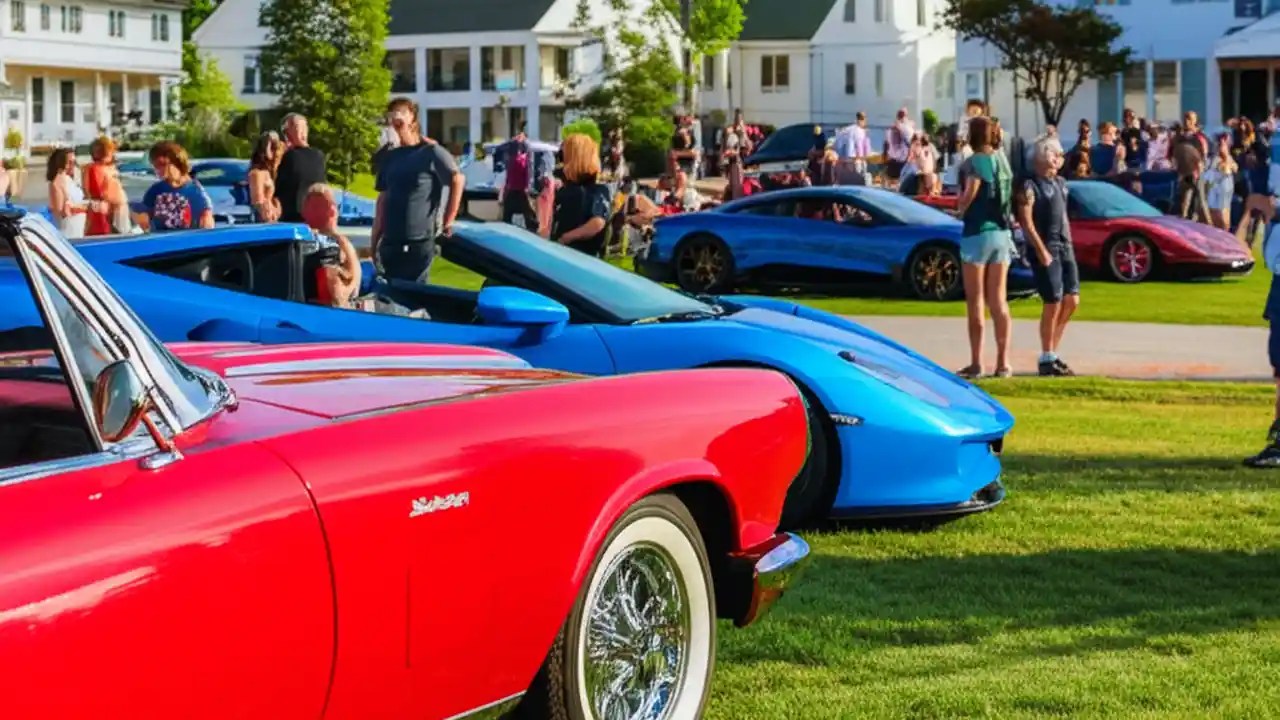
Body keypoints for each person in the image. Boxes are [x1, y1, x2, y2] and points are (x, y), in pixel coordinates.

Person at [370, 96, 464, 283]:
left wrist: (448, 220)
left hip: (419, 240)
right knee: (392, 296)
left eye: (402, 113)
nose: (396, 117)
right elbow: (383, 199)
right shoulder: (389, 157)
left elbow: (457, 178)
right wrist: (374, 242)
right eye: (392, 115)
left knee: (416, 293)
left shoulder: (430, 152)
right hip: (391, 241)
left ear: (413, 119)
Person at [954, 116, 1013, 380]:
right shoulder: (1003, 162)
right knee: (998, 301)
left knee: (976, 302)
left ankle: (977, 363)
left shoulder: (973, 163)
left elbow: (971, 190)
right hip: (1001, 234)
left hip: (977, 234)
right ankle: (1003, 362)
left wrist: (960, 207)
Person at [1016, 138, 1078, 377]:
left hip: (1065, 245)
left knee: (1072, 301)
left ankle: (1053, 350)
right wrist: (1040, 249)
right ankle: (1046, 356)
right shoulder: (1030, 185)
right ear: (1042, 156)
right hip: (1047, 245)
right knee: (1053, 300)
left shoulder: (1062, 183)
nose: (1059, 158)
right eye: (1055, 153)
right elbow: (1026, 220)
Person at [544, 133, 611, 256]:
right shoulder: (569, 188)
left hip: (580, 256)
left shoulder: (595, 191)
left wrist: (566, 238)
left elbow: (597, 223)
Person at [300, 183, 362, 308]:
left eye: (320, 207)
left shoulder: (339, 243)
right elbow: (354, 285)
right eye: (315, 207)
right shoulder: (338, 245)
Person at [139, 141, 214, 232]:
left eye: (163, 164)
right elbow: (143, 215)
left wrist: (206, 221)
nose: (159, 170)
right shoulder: (156, 190)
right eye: (156, 166)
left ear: (177, 162)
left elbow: (207, 217)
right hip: (161, 241)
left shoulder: (195, 190)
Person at [274, 113, 327, 223]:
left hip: (316, 215)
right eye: (298, 127)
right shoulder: (286, 157)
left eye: (304, 127)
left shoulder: (318, 155)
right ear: (287, 133)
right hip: (292, 216)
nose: (302, 132)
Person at [494, 124, 540, 230]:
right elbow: (529, 172)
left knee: (508, 216)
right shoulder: (523, 160)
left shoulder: (510, 160)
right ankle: (533, 231)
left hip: (512, 189)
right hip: (521, 190)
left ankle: (507, 231)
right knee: (528, 216)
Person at [46, 148, 98, 239]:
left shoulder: (70, 180)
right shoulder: (56, 183)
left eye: (74, 162)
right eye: (69, 162)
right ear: (60, 163)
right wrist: (82, 207)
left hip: (78, 229)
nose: (72, 165)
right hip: (67, 231)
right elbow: (60, 212)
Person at [1171, 112, 1210, 223]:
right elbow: (1175, 153)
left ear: (1195, 121)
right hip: (1184, 173)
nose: (1186, 121)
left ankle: (1210, 225)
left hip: (1197, 172)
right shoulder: (1181, 138)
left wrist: (1199, 170)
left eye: (1189, 119)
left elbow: (1205, 155)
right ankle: (1184, 225)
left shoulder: (1199, 137)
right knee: (1185, 202)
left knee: (1202, 201)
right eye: (1185, 119)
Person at [82, 137, 123, 236]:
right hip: (105, 207)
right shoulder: (108, 170)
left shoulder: (89, 168)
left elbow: (86, 191)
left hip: (97, 207)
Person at [1204, 133, 1238, 232]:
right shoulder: (1213, 158)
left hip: (1224, 185)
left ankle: (1224, 234)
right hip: (1213, 186)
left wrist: (1226, 157)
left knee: (1223, 212)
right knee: (1213, 211)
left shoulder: (1228, 157)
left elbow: (1231, 169)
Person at [248, 131, 284, 223]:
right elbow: (258, 201)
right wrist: (269, 212)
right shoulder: (257, 174)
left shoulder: (270, 173)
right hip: (264, 222)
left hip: (273, 218)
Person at [884, 108, 913, 190]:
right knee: (900, 184)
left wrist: (885, 158)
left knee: (889, 184)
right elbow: (911, 144)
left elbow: (886, 145)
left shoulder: (890, 129)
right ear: (905, 116)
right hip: (903, 160)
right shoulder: (908, 129)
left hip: (892, 159)